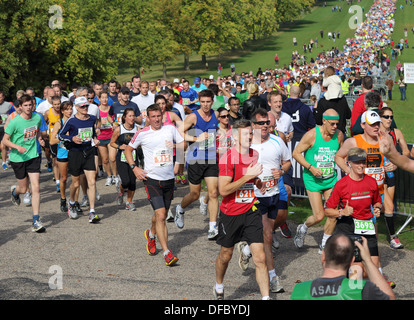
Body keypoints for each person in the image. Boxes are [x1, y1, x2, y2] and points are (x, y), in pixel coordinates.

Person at [335, 111, 397, 288]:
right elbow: (338, 156)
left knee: (370, 236)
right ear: (363, 125)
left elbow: (393, 160)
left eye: (378, 123)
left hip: (377, 193)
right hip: (359, 195)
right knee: (362, 236)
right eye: (372, 124)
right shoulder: (353, 141)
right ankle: (364, 276)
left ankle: (367, 275)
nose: (376, 126)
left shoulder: (385, 139)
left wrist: (392, 165)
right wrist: (349, 172)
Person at [214, 119, 270, 300]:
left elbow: (251, 179)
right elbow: (223, 190)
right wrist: (249, 176)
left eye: (251, 133)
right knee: (226, 255)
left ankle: (266, 297)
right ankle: (219, 284)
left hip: (251, 209)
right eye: (246, 134)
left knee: (260, 258)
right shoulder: (227, 158)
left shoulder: (254, 154)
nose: (250, 136)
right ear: (236, 136)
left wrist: (257, 182)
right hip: (230, 212)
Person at [237, 108, 291, 293]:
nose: (265, 126)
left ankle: (247, 250)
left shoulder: (277, 141)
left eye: (267, 123)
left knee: (266, 233)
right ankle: (273, 277)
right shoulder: (248, 146)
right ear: (253, 125)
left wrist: (281, 171)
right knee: (267, 235)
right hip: (255, 196)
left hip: (273, 194)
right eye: (261, 123)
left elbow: (287, 161)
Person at [125, 104, 185, 266]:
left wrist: (178, 162)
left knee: (162, 214)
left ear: (162, 116)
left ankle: (151, 235)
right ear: (148, 118)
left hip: (169, 179)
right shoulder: (142, 133)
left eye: (159, 116)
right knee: (160, 216)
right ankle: (167, 252)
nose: (157, 119)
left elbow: (182, 143)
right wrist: (134, 167)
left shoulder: (170, 129)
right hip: (151, 179)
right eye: (153, 117)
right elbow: (128, 150)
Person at [292, 109, 344, 251]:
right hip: (313, 180)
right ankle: (303, 228)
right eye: (332, 124)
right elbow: (296, 153)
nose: (335, 127)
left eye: (337, 124)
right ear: (324, 121)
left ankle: (324, 243)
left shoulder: (339, 135)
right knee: (319, 216)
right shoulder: (311, 135)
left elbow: (341, 154)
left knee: (333, 213)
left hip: (330, 180)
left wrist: (346, 166)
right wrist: (311, 167)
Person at [291, 234, 395, 300]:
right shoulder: (362, 290)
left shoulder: (299, 290)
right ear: (352, 261)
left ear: (323, 256)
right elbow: (390, 297)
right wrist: (368, 261)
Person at [175, 89, 220, 240]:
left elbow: (220, 129)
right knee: (195, 194)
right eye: (203, 102)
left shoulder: (216, 115)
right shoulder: (194, 116)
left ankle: (213, 227)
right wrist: (195, 139)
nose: (206, 105)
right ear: (199, 102)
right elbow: (179, 132)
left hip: (211, 158)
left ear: (212, 101)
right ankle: (180, 209)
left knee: (213, 193)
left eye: (208, 102)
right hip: (195, 159)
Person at [2, 94, 46, 232]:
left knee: (36, 188)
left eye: (30, 105)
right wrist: (17, 147)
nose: (28, 108)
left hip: (33, 155)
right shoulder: (15, 121)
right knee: (23, 189)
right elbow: (5, 140)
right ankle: (15, 192)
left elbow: (38, 131)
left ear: (33, 105)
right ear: (20, 107)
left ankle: (36, 219)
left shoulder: (37, 117)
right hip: (18, 158)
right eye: (25, 105)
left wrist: (40, 139)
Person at [58, 96, 101, 223]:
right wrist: (72, 139)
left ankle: (92, 212)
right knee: (75, 183)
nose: (85, 108)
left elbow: (92, 133)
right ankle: (71, 202)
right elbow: (60, 135)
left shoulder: (92, 118)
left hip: (88, 151)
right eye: (82, 106)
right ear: (76, 107)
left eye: (86, 106)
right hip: (75, 153)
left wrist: (95, 139)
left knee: (92, 182)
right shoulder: (71, 121)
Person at [379, 107, 409, 249]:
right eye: (386, 116)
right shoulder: (375, 133)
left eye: (391, 116)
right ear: (380, 118)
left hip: (391, 174)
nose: (389, 119)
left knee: (385, 208)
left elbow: (406, 151)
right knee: (389, 206)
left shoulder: (396, 133)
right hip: (378, 175)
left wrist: (396, 163)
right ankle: (393, 238)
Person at [110, 108, 139, 211]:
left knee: (132, 182)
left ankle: (129, 202)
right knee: (126, 181)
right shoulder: (119, 129)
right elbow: (112, 142)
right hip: (122, 158)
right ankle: (121, 192)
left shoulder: (138, 129)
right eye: (130, 116)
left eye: (133, 116)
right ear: (125, 117)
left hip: (134, 157)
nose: (132, 118)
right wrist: (119, 146)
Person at [50, 101, 73, 213]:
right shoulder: (59, 123)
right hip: (62, 153)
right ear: (62, 111)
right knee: (64, 178)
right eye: (67, 109)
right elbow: (52, 140)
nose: (69, 111)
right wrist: (63, 137)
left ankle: (74, 201)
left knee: (76, 178)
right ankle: (63, 199)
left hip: (74, 153)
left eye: (71, 108)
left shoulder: (75, 121)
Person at [97, 91, 117, 187]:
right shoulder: (97, 110)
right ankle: (109, 176)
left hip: (111, 136)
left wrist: (112, 123)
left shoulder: (111, 108)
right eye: (102, 97)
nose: (104, 99)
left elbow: (116, 121)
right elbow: (94, 123)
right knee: (104, 160)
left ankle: (115, 176)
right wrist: (100, 124)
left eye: (106, 97)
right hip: (101, 137)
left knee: (112, 158)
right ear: (99, 99)